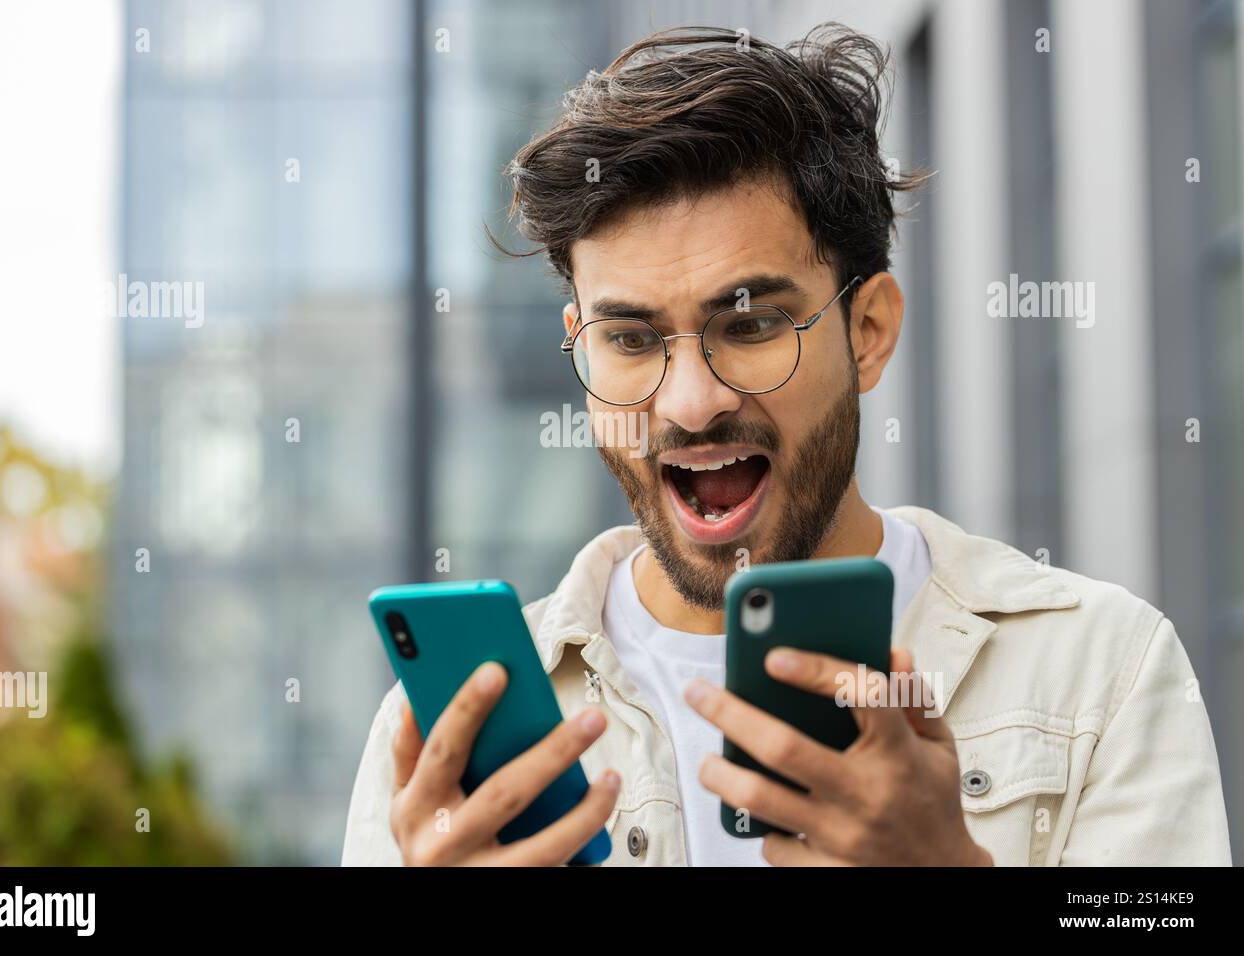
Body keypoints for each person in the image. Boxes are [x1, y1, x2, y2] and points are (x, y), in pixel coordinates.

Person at [342, 24, 1230, 866]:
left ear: (870, 330)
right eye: (630, 338)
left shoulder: (1100, 669)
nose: (691, 405)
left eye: (752, 322)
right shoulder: (437, 740)